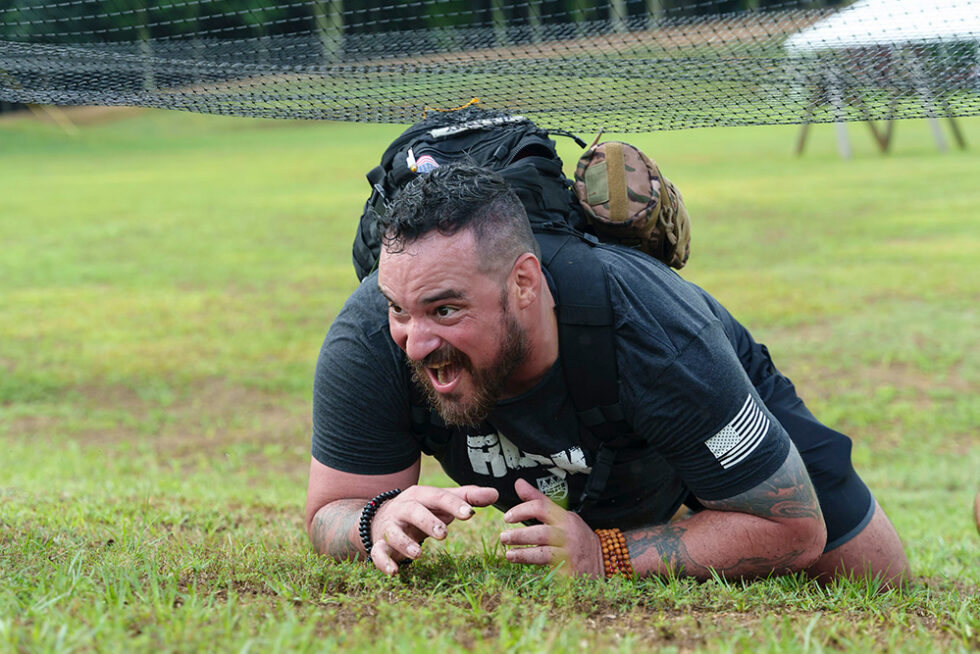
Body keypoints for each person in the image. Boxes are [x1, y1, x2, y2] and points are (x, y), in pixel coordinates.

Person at [304, 164, 909, 585]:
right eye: (399, 310)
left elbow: (793, 528)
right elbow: (329, 509)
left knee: (873, 574)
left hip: (690, 403)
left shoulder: (656, 336)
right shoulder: (368, 340)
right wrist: (374, 518)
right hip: (596, 449)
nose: (416, 341)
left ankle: (687, 506)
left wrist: (606, 553)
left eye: (446, 309)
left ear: (523, 283)